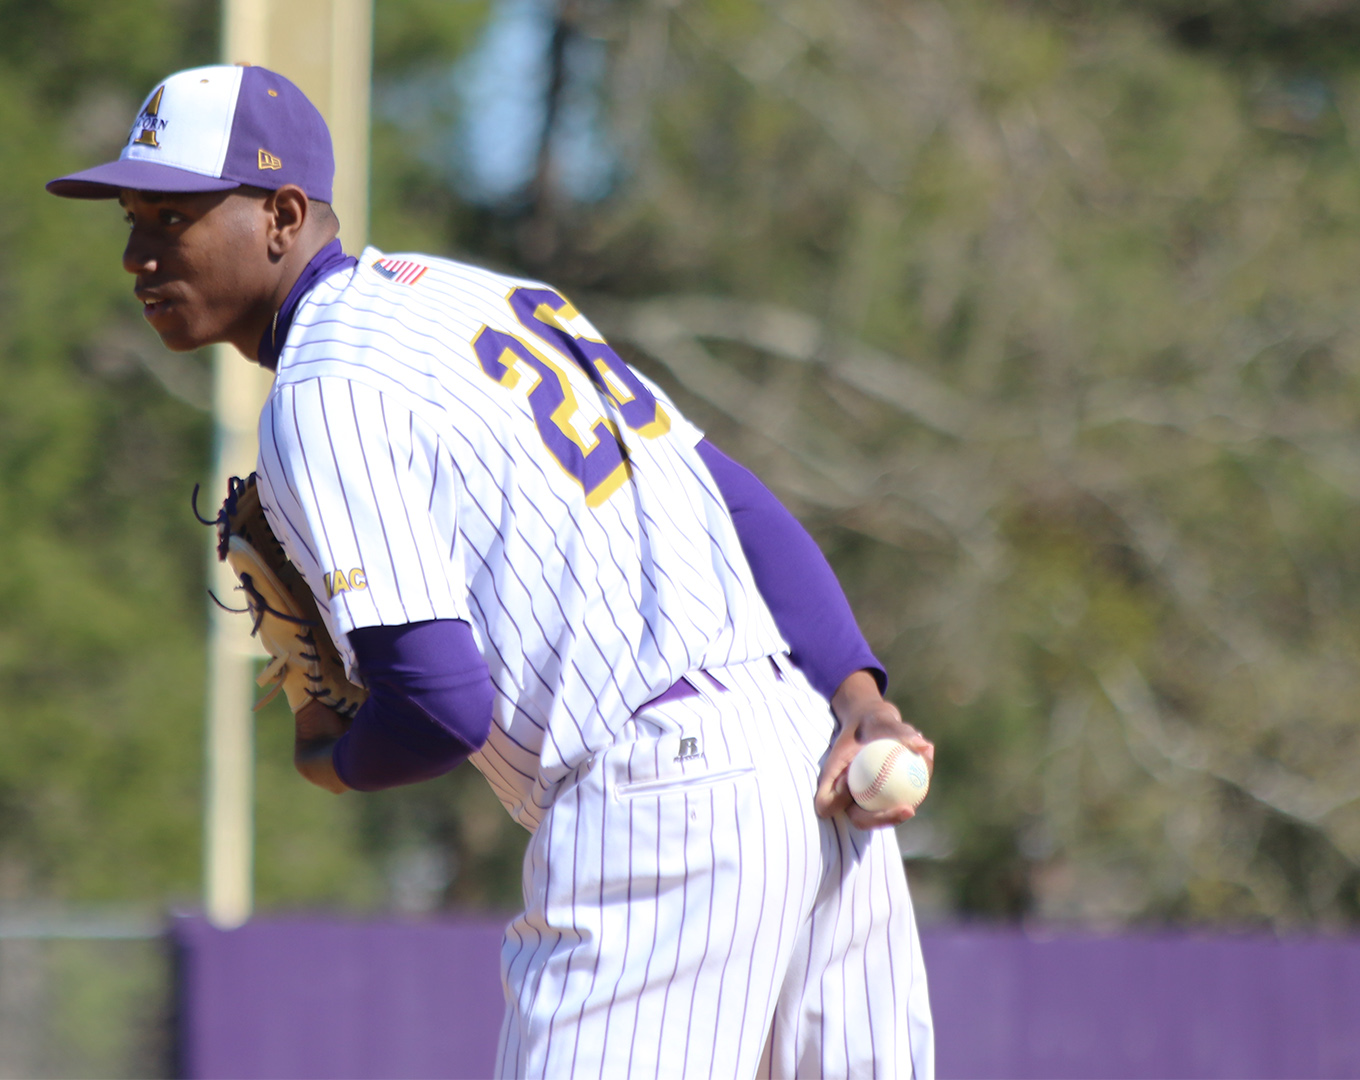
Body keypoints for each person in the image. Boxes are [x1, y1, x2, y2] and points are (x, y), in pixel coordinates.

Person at [48, 63, 936, 1078]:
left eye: (170, 219)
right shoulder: (484, 296)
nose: (135, 255)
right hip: (811, 758)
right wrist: (857, 691)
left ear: (283, 214)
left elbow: (438, 703)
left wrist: (329, 757)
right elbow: (727, 493)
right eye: (131, 218)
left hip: (665, 808)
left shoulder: (324, 389)